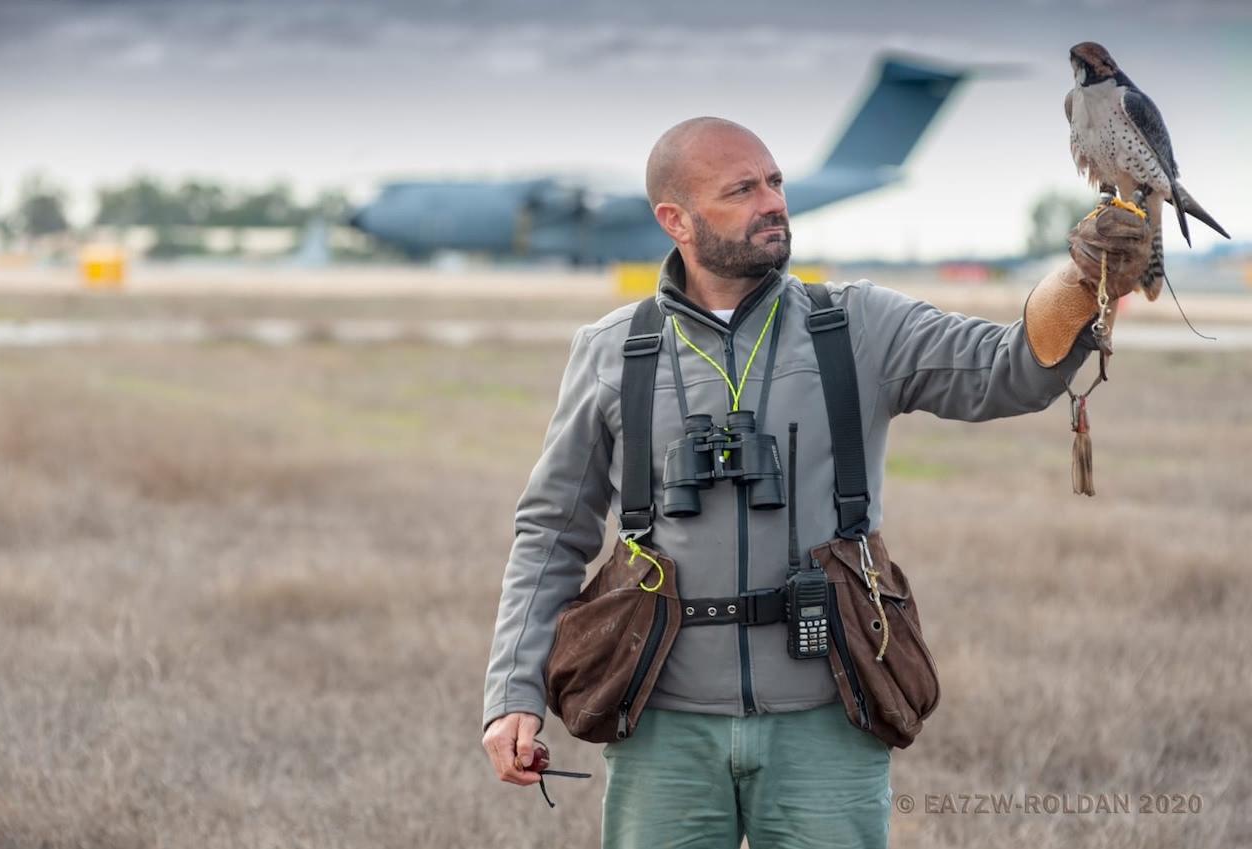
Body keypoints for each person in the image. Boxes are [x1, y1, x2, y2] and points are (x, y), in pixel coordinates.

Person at [482, 117, 1149, 848]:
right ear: (675, 219)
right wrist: (513, 693)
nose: (773, 201)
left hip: (829, 715)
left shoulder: (858, 324)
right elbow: (551, 530)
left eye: (775, 182)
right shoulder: (613, 350)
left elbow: (1008, 371)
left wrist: (1082, 286)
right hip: (661, 725)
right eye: (742, 189)